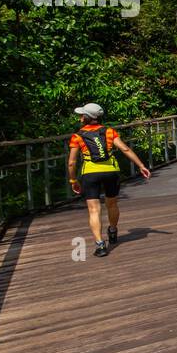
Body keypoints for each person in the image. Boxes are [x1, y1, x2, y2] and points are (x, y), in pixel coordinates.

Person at [67, 103, 151, 257]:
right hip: (111, 172)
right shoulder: (109, 131)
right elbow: (125, 149)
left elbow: (72, 162)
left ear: (87, 117)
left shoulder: (77, 136)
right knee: (111, 204)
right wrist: (141, 165)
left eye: (82, 115)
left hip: (90, 174)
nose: (80, 117)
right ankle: (112, 230)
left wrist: (73, 180)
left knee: (94, 210)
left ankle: (100, 245)